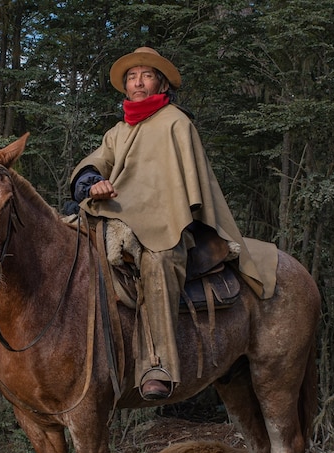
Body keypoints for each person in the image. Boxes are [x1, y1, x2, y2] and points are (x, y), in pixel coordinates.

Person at [70, 47, 271, 401]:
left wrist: (155, 209)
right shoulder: (119, 131)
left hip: (167, 220)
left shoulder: (176, 122)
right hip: (119, 214)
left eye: (146, 76)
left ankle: (157, 364)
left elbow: (183, 185)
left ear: (161, 84)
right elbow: (98, 161)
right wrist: (92, 182)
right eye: (132, 77)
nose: (138, 83)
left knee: (159, 260)